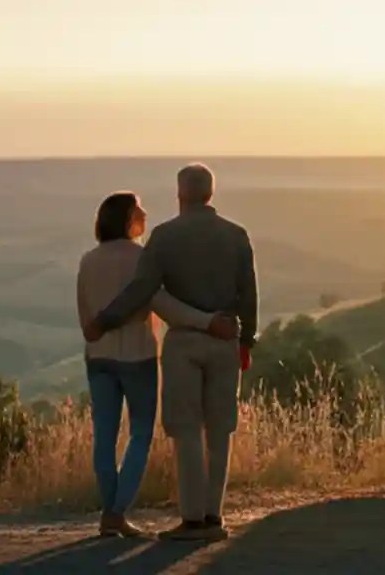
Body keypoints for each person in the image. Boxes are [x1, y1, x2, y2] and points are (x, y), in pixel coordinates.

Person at [84, 163, 257, 542]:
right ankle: (215, 517)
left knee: (186, 429)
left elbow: (142, 289)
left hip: (183, 341)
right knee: (220, 430)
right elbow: (249, 292)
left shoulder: (164, 236)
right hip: (226, 338)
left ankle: (192, 520)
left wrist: (105, 320)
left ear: (180, 193)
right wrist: (246, 341)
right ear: (210, 193)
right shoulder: (236, 235)